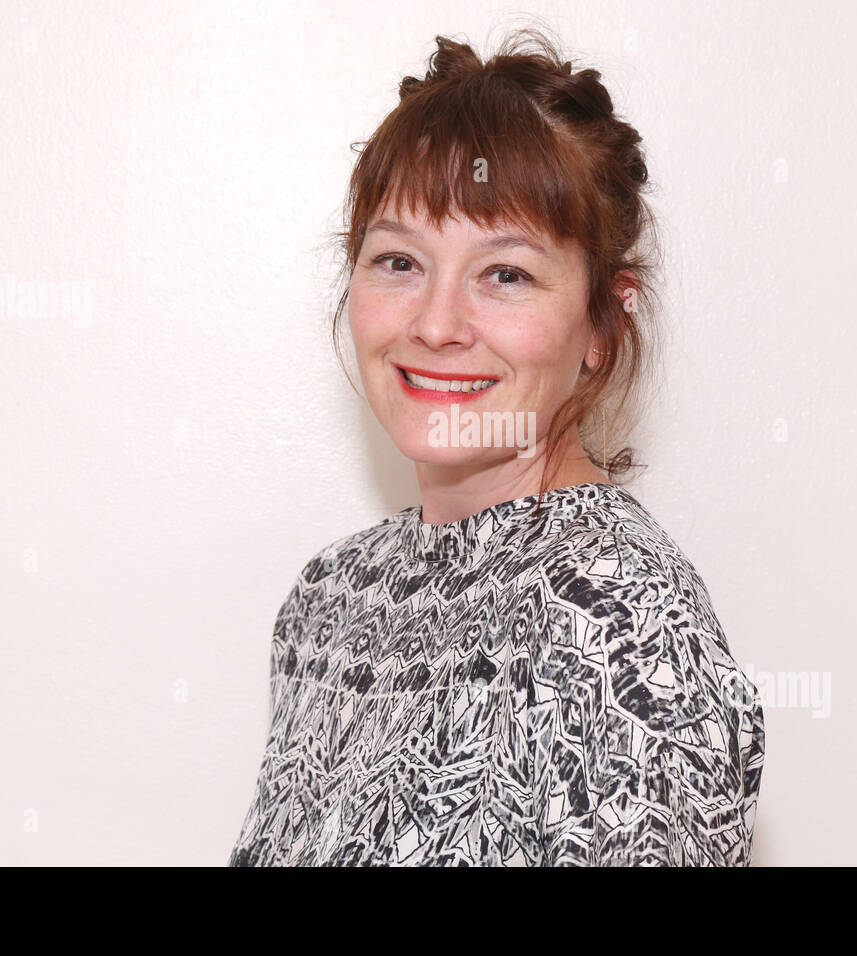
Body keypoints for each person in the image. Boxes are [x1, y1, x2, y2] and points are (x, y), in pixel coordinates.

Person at [228, 28, 765, 866]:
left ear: (601, 322)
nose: (436, 324)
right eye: (399, 261)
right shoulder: (328, 601)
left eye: (505, 274)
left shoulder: (621, 622)